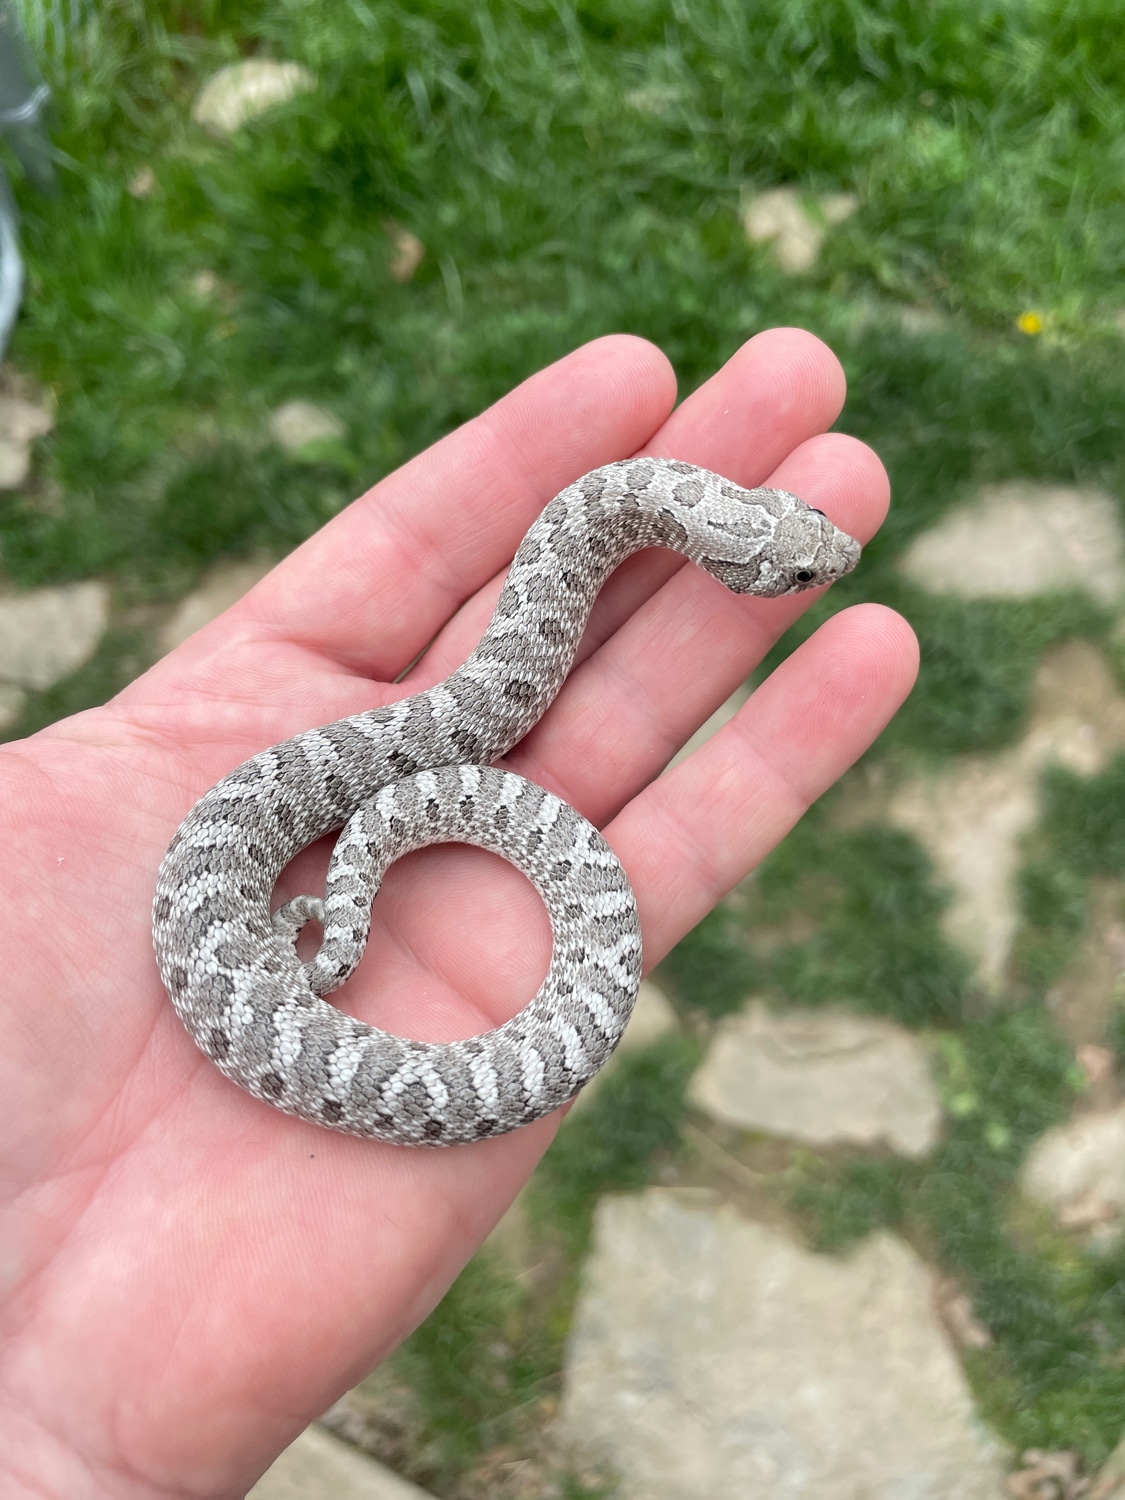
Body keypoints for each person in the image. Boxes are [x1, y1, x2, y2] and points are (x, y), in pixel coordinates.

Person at [0, 329, 917, 1498]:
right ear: (722, 551)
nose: (811, 569)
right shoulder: (611, 515)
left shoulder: (626, 508)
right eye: (791, 571)